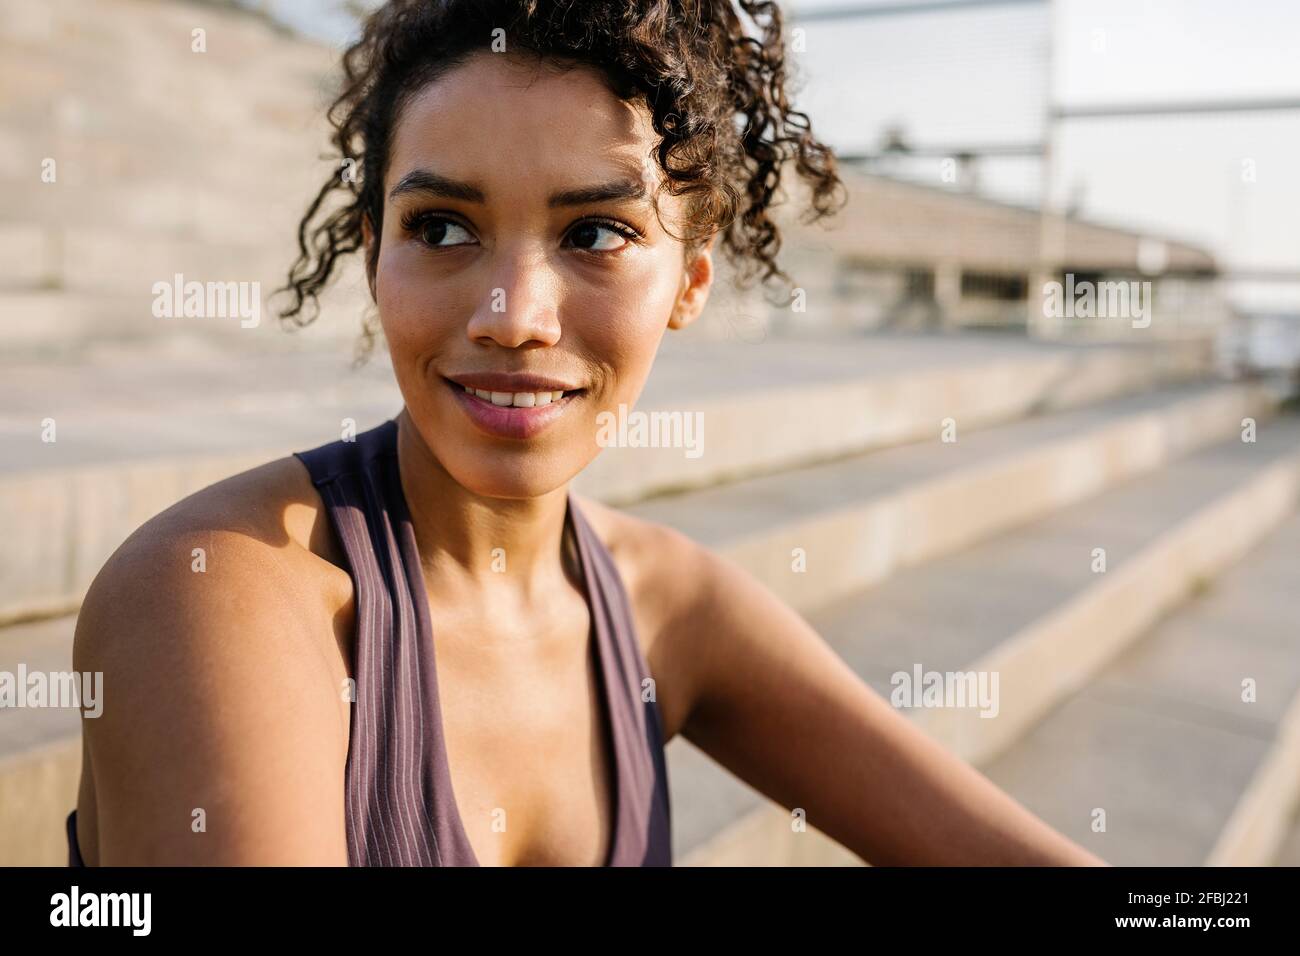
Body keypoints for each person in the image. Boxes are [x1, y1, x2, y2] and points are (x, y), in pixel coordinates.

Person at [68, 0, 1106, 866]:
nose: (512, 313)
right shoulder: (219, 587)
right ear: (373, 247)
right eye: (441, 228)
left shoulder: (670, 605)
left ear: (688, 283)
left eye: (597, 232)